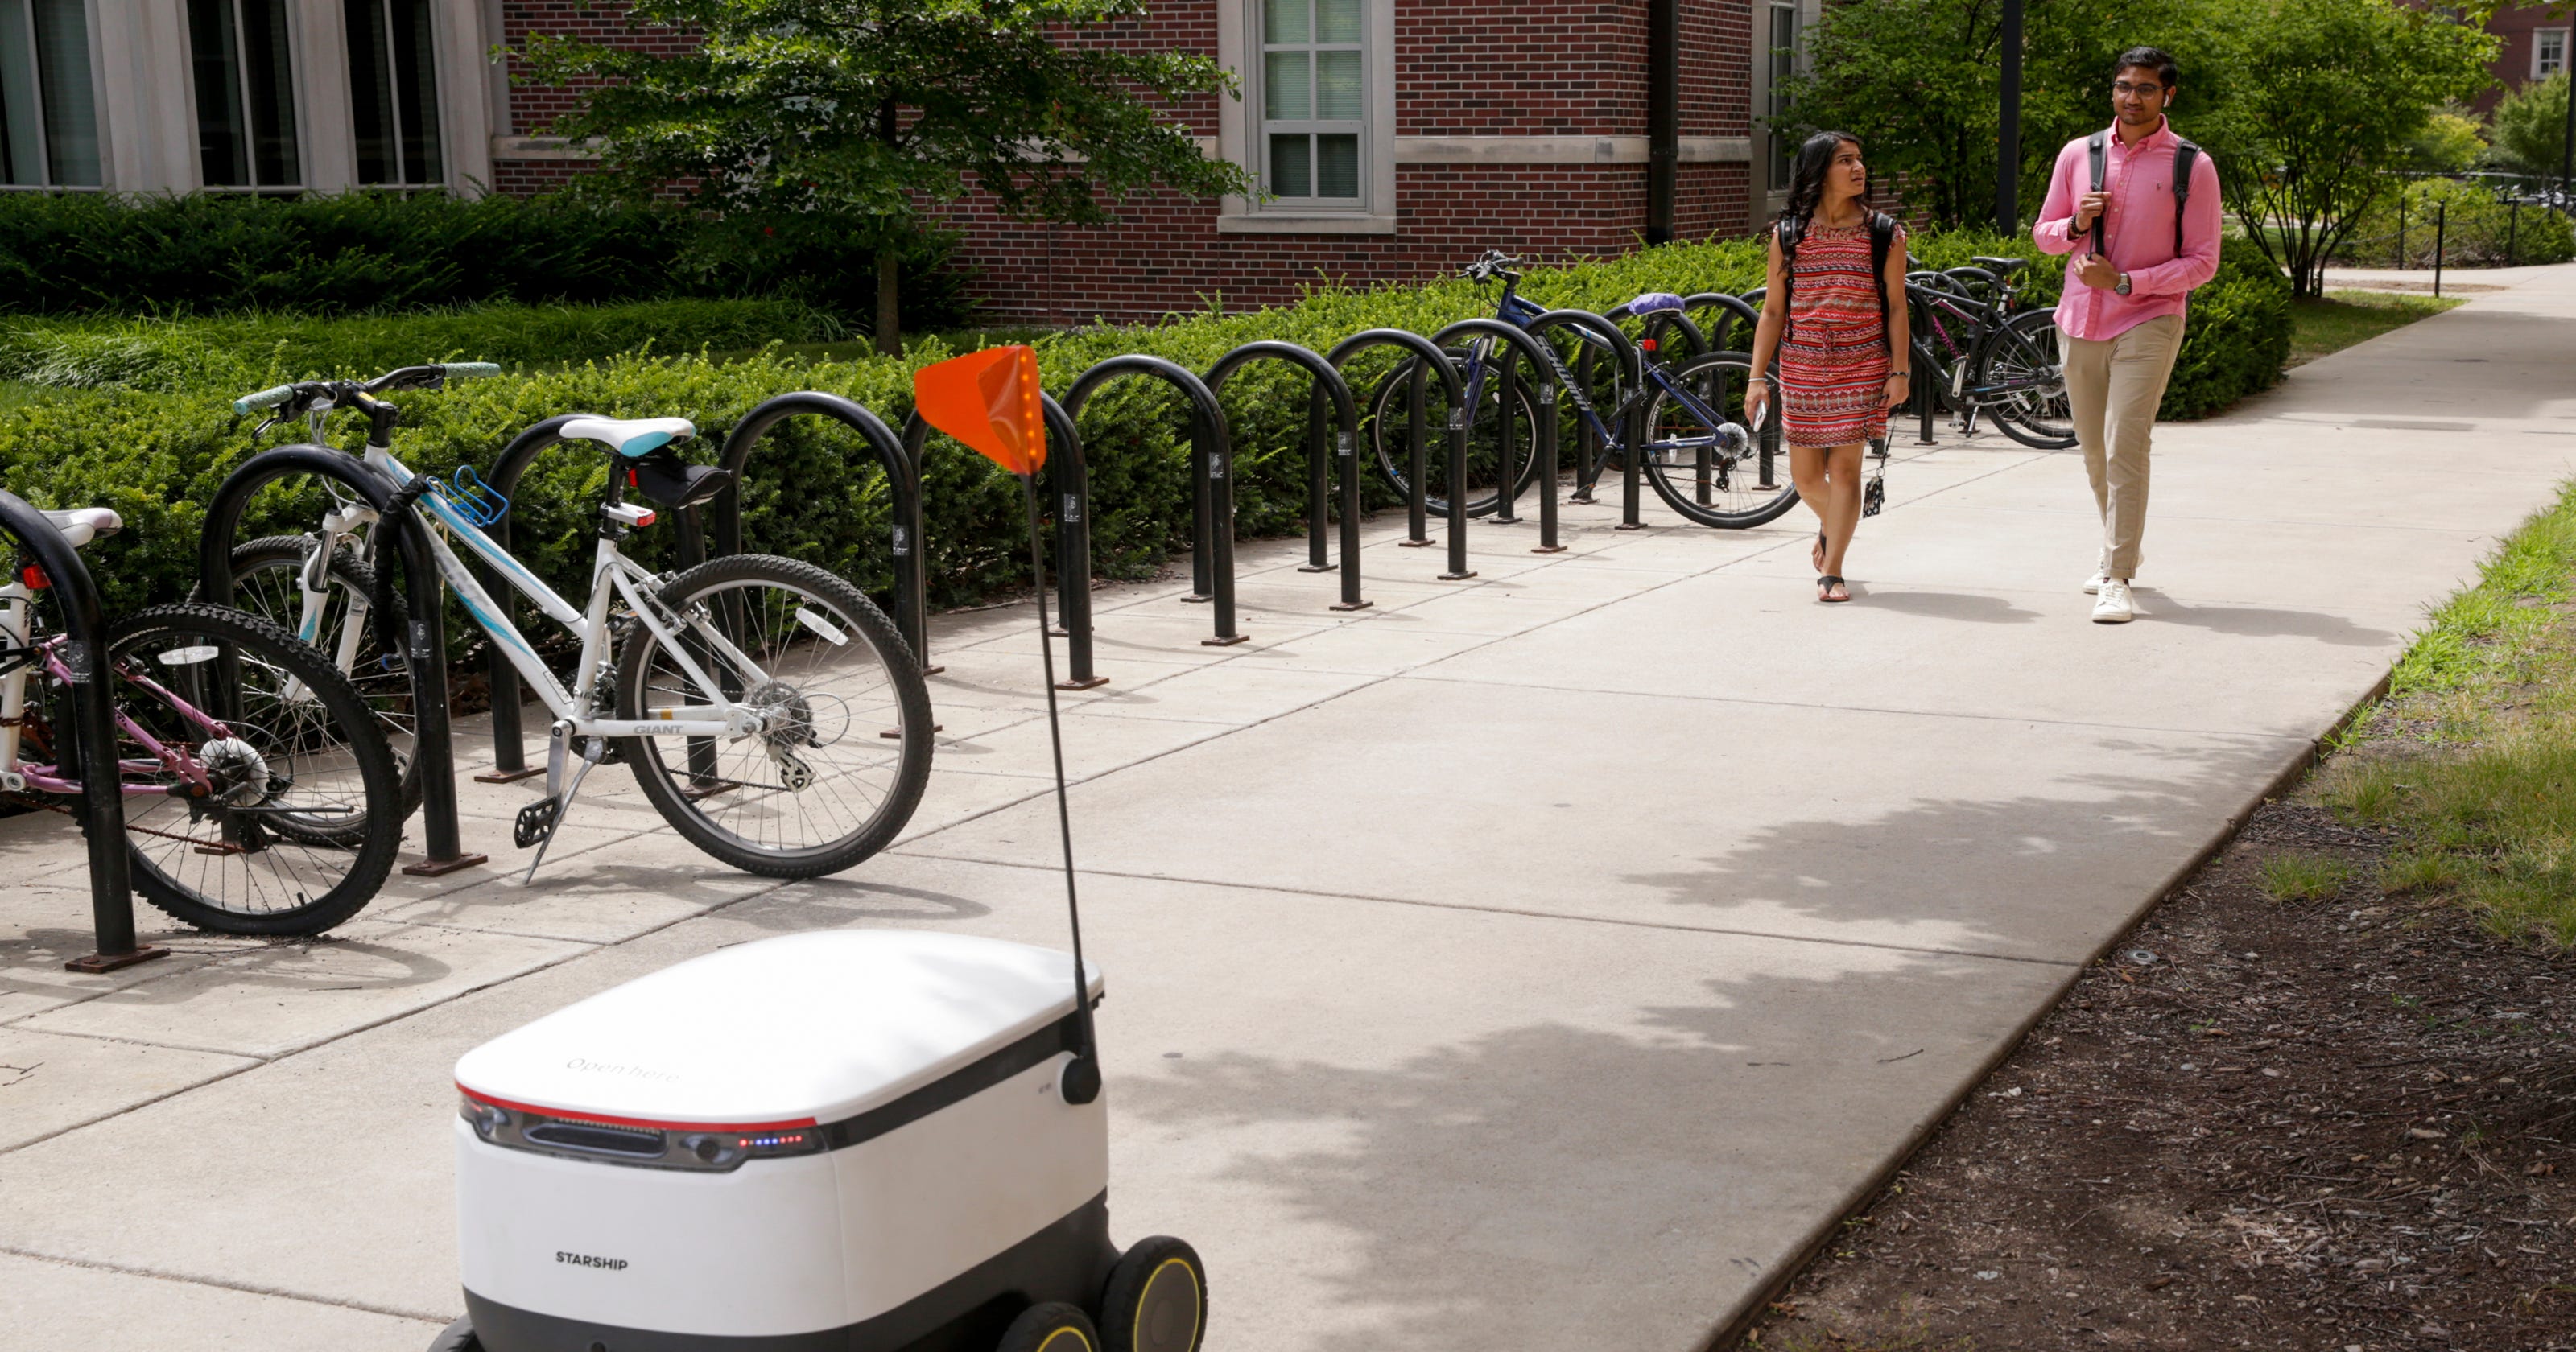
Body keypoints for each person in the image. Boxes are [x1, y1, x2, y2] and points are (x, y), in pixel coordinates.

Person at [2033, 45, 2222, 624]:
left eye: (2144, 88)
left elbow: (2203, 262)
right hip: (2080, 319)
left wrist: (2125, 282)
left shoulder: (2192, 165)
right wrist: (2076, 223)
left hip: (2149, 318)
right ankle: (2121, 548)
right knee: (2094, 452)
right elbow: (2044, 235)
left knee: (2125, 447)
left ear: (2168, 95)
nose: (2131, 97)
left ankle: (2117, 576)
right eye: (2123, 86)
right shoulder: (2079, 154)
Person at [1744, 131, 1910, 604]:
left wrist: (1900, 371)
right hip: (1801, 366)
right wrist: (1757, 377)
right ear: (1819, 172)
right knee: (1806, 479)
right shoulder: (1789, 234)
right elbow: (1772, 311)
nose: (1858, 168)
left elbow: (1897, 306)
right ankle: (1833, 524)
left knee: (1845, 470)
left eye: (1859, 159)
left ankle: (1832, 570)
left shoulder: (1884, 233)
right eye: (1845, 160)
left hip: (1862, 363)